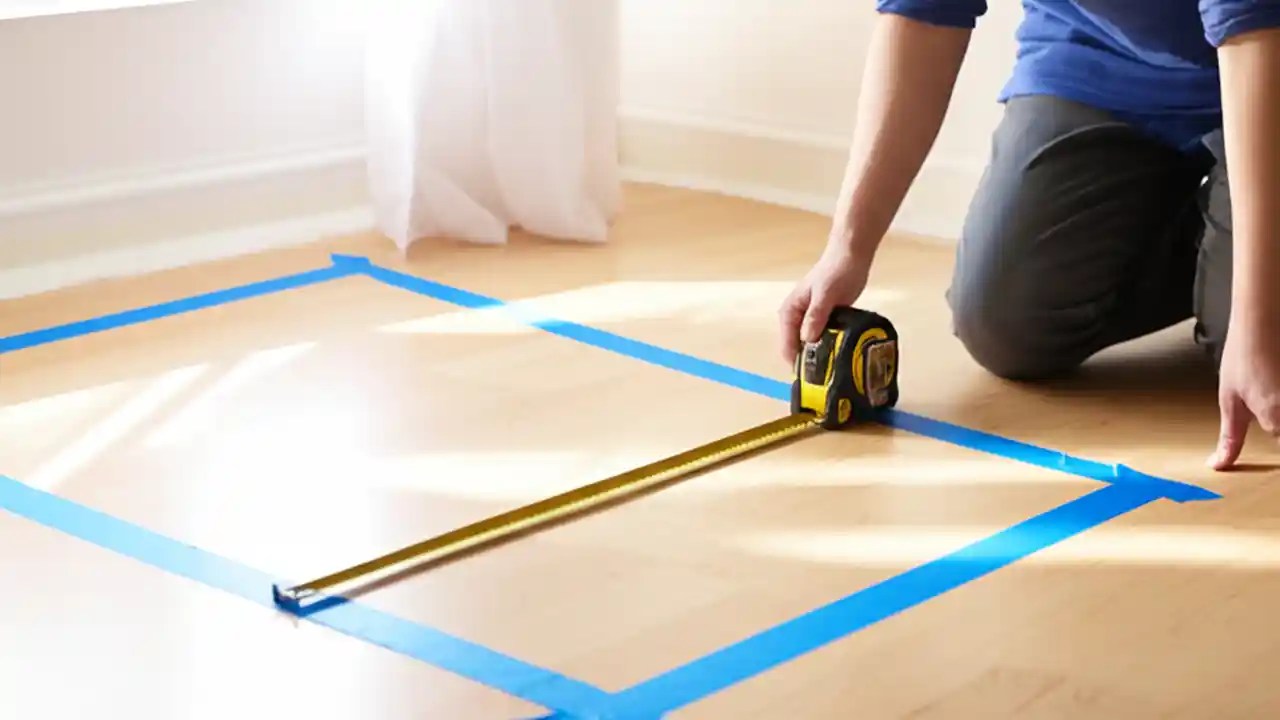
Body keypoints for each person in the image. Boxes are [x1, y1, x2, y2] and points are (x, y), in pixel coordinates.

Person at [778, 1, 1280, 471]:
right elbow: (924, 13)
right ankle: (1221, 261)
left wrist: (1252, 316)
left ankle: (1232, 278)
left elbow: (1252, 21)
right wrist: (848, 246)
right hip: (1096, 61)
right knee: (1003, 321)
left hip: (1266, 55)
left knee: (1260, 338)